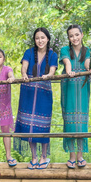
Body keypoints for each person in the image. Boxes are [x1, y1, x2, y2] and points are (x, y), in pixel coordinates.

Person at [15, 27, 58, 169]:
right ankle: (34, 157)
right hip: (28, 92)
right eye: (37, 38)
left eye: (43, 38)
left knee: (43, 125)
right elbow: (24, 67)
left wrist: (49, 76)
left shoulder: (52, 54)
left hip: (44, 94)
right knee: (30, 126)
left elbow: (52, 70)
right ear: (34, 40)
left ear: (48, 39)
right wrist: (24, 74)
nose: (40, 40)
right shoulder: (28, 53)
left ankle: (44, 157)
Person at [59, 25, 91, 168]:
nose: (74, 38)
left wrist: (90, 69)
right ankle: (72, 156)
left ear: (82, 35)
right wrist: (69, 71)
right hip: (69, 85)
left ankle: (80, 156)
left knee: (81, 121)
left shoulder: (87, 50)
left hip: (82, 87)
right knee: (70, 121)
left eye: (77, 35)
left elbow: (87, 64)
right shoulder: (65, 50)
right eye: (71, 36)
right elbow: (67, 62)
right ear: (69, 38)